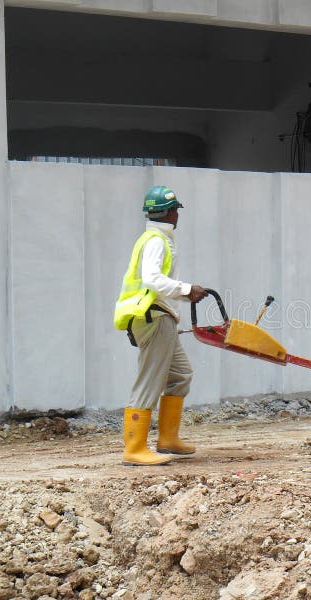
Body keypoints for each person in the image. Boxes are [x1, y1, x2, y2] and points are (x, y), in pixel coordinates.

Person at [113, 185, 208, 466]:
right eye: (176, 209)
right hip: (154, 316)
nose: (178, 215)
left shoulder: (158, 238)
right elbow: (152, 279)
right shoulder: (156, 240)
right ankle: (135, 448)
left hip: (162, 316)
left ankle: (168, 439)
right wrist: (187, 289)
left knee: (181, 375)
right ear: (167, 212)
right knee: (150, 380)